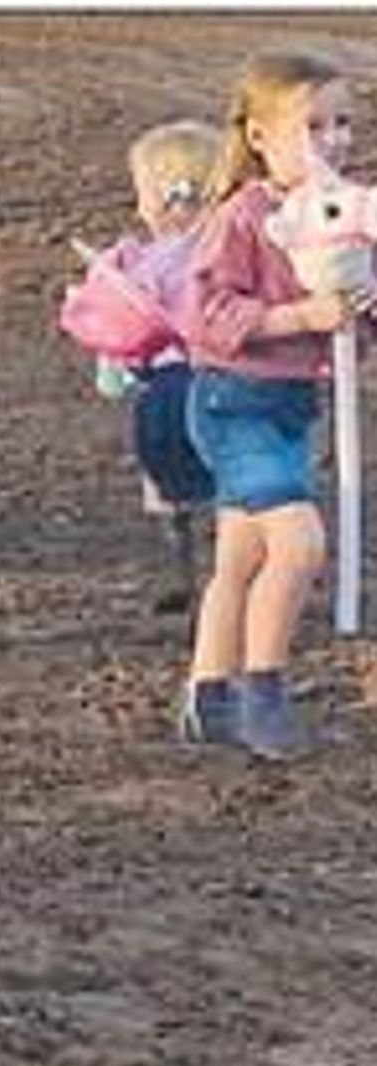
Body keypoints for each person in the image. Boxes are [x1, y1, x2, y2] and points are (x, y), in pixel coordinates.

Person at [177, 50, 371, 759]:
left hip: (292, 407)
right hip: (233, 404)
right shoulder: (243, 217)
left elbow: (349, 318)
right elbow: (204, 310)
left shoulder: (340, 213)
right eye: (314, 125)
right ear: (259, 136)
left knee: (240, 558)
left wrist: (360, 307)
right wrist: (301, 318)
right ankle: (265, 689)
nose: (335, 141)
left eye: (344, 124)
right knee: (299, 543)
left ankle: (208, 693)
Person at [91, 120, 221, 614]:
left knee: (170, 491)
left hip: (162, 391)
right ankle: (221, 572)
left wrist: (113, 378)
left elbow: (117, 335)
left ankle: (185, 573)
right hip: (222, 384)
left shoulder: (135, 264)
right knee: (226, 485)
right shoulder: (223, 254)